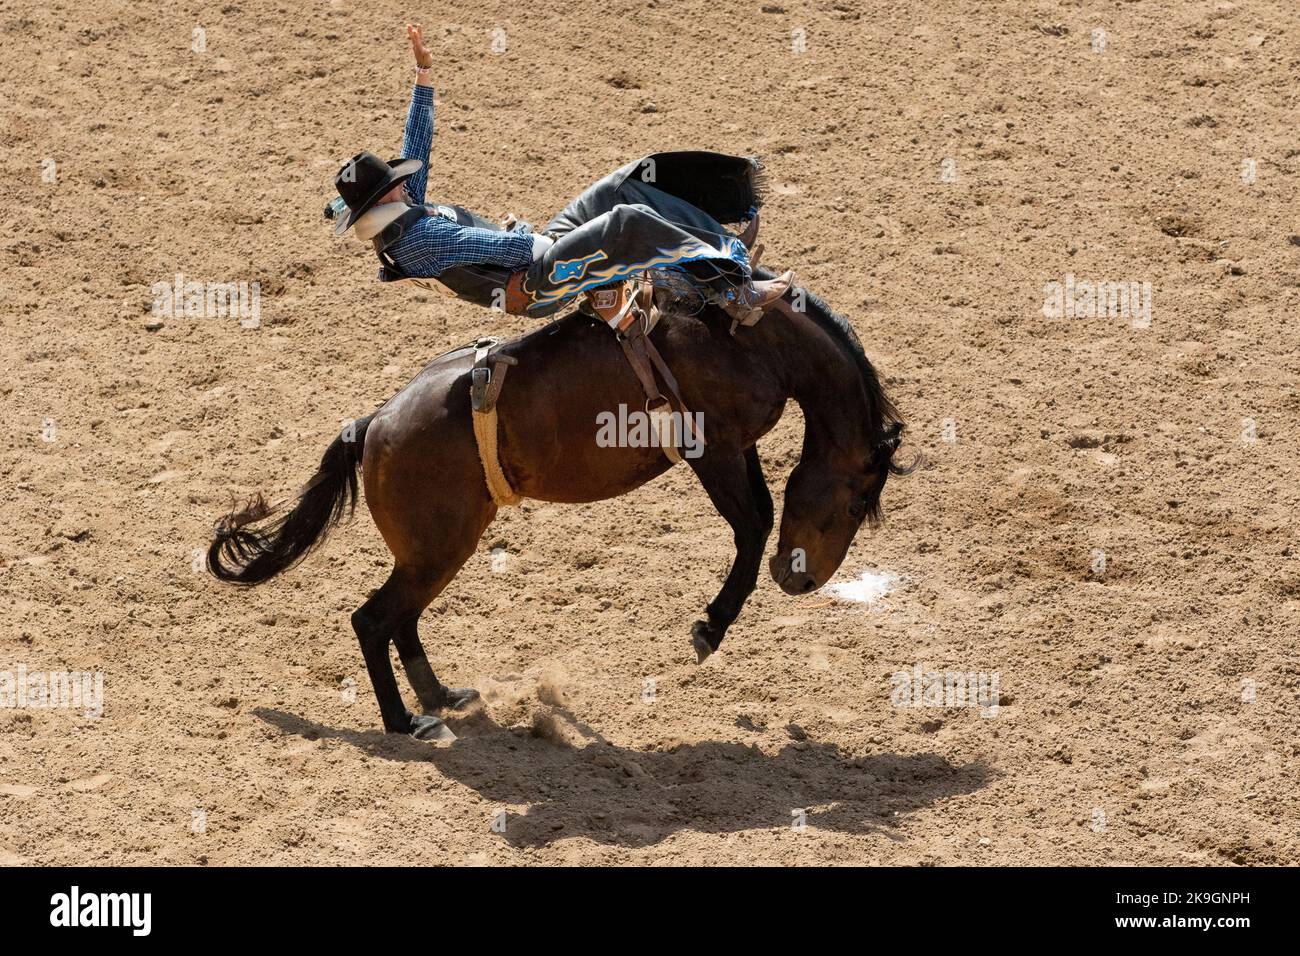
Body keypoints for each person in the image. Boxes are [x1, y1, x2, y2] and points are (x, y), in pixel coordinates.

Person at [330, 25, 794, 325]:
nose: (403, 178)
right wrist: (566, 246)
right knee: (623, 222)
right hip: (534, 282)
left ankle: (713, 246)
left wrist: (423, 74)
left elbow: (418, 147)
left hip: (532, 262)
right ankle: (736, 290)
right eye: (394, 180)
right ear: (385, 196)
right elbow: (494, 246)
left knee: (618, 187)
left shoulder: (402, 215)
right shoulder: (417, 238)